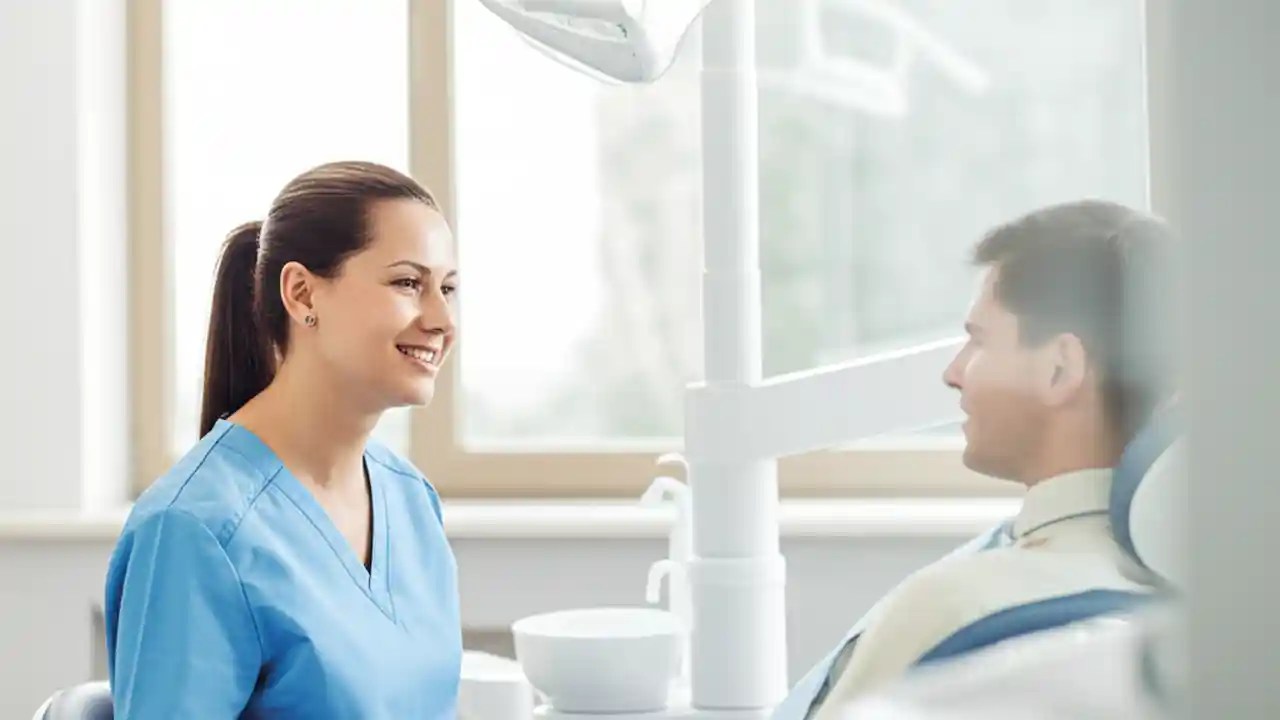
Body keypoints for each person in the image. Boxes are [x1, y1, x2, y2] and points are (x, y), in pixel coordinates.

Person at [776, 199, 1179, 720]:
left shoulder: (956, 608)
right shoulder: (1195, 604)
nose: (954, 372)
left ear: (1060, 369)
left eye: (978, 340)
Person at [103, 161, 463, 718]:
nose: (442, 318)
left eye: (448, 288)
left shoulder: (410, 499)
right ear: (301, 294)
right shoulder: (194, 531)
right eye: (408, 283)